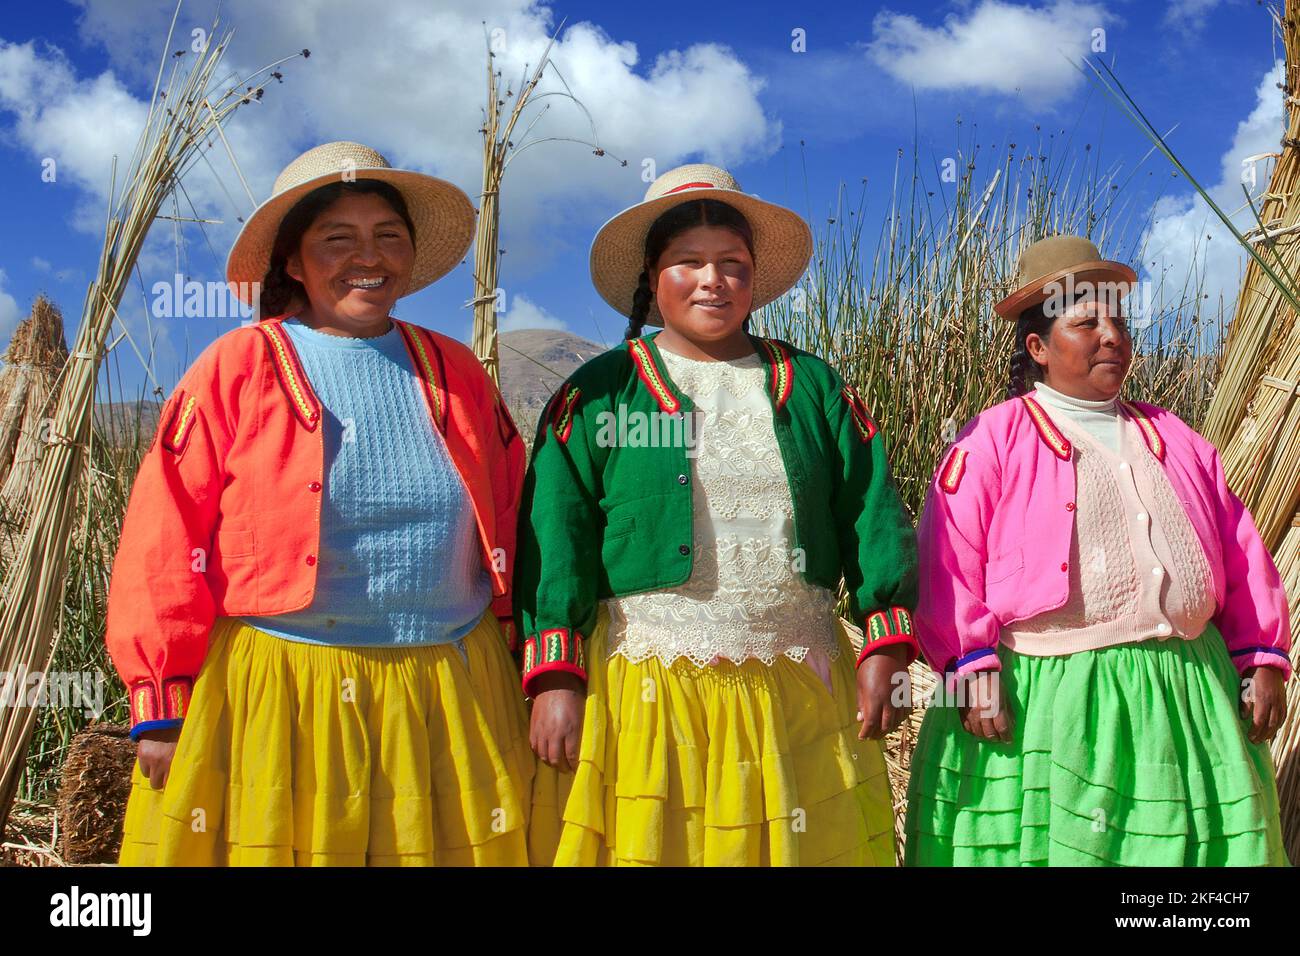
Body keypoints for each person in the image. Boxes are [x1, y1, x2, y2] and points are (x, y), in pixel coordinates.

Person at [109, 141, 534, 865]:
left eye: (386, 236)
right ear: (294, 263)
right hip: (282, 688)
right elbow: (165, 529)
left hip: (449, 687)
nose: (366, 256)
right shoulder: (236, 367)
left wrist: (537, 658)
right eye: (337, 238)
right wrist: (161, 699)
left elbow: (511, 514)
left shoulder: (456, 370)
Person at [517, 163, 918, 866]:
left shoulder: (815, 387)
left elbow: (871, 511)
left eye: (732, 263)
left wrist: (885, 644)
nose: (713, 280)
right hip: (651, 683)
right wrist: (554, 674)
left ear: (755, 277)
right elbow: (558, 533)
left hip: (798, 681)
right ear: (651, 274)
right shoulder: (602, 394)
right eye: (688, 263)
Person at [905, 234, 1291, 866]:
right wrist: (969, 666)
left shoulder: (1177, 438)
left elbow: (1240, 549)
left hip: (1190, 691)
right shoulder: (990, 441)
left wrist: (1263, 657)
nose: (1110, 335)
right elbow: (946, 560)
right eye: (1086, 322)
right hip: (1052, 698)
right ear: (1038, 346)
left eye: (1117, 321)